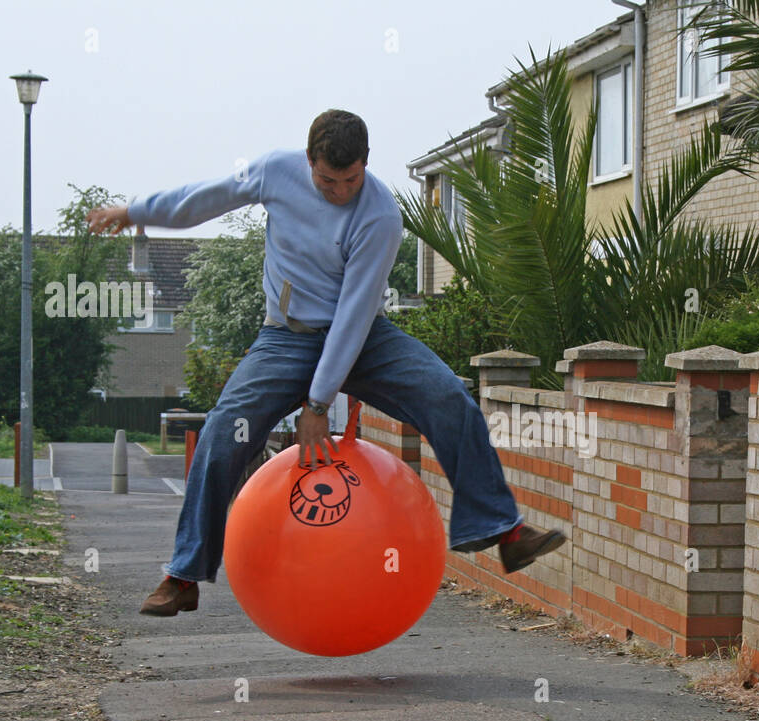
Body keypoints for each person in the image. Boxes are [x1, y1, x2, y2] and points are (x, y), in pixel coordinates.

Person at [85, 109, 565, 616]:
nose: (339, 191)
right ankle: (183, 575)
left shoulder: (380, 215)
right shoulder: (276, 170)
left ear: (366, 164)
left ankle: (501, 529)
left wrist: (318, 402)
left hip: (361, 338)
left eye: (351, 179)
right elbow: (206, 198)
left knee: (448, 396)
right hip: (284, 339)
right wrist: (137, 210)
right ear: (308, 160)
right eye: (327, 180)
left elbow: (356, 314)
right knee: (226, 431)